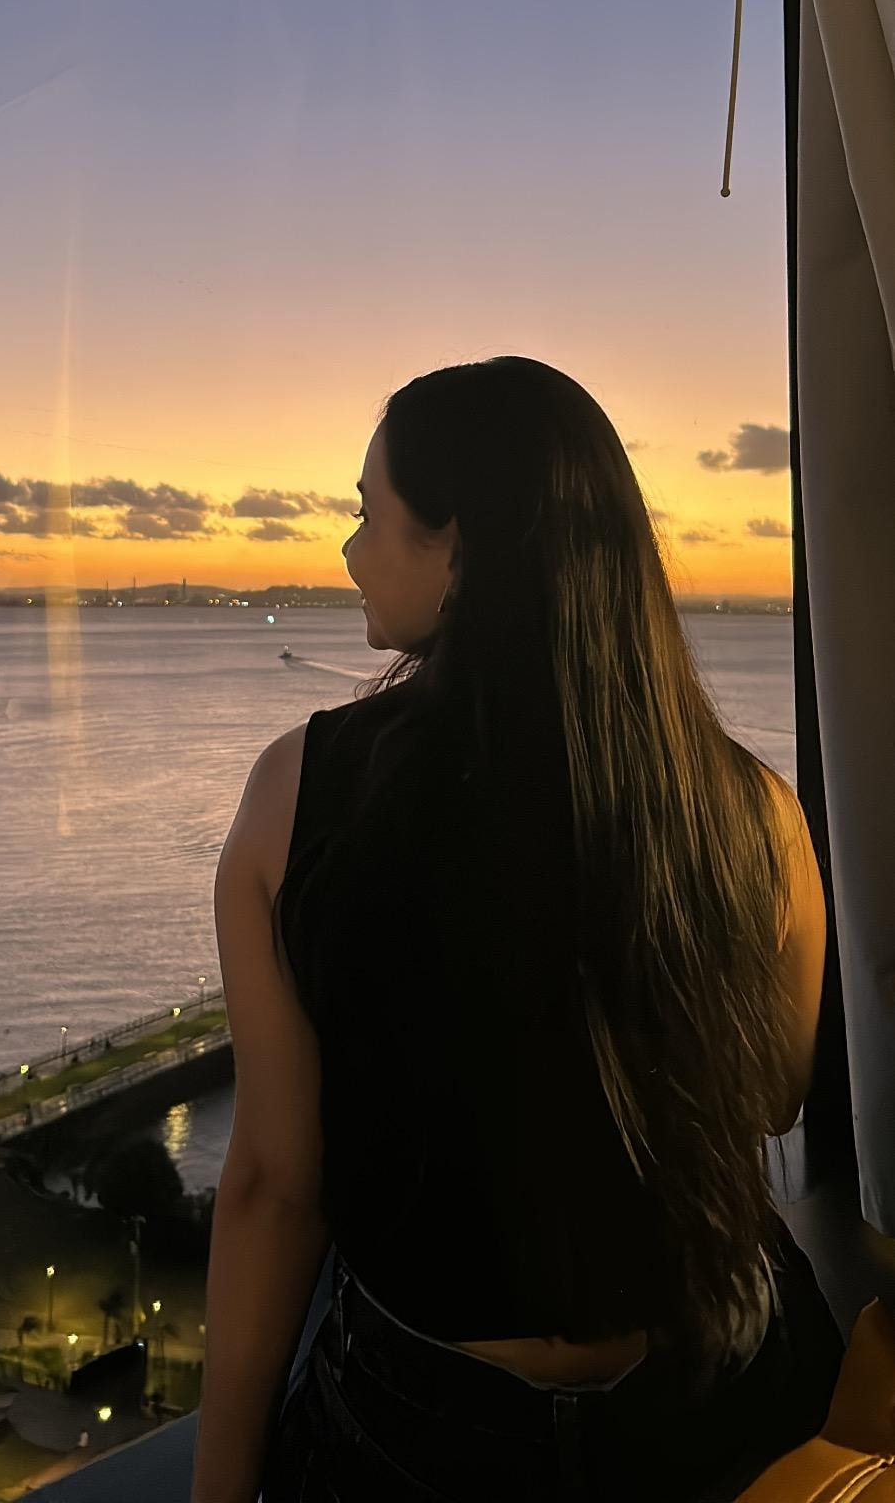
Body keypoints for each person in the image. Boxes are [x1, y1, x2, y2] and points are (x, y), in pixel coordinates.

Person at [198, 357, 842, 1503]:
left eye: (368, 514)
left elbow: (274, 1189)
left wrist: (219, 1486)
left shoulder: (297, 798)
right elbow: (772, 1095)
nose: (347, 550)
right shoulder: (757, 813)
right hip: (733, 1409)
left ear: (459, 546)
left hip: (426, 1431)